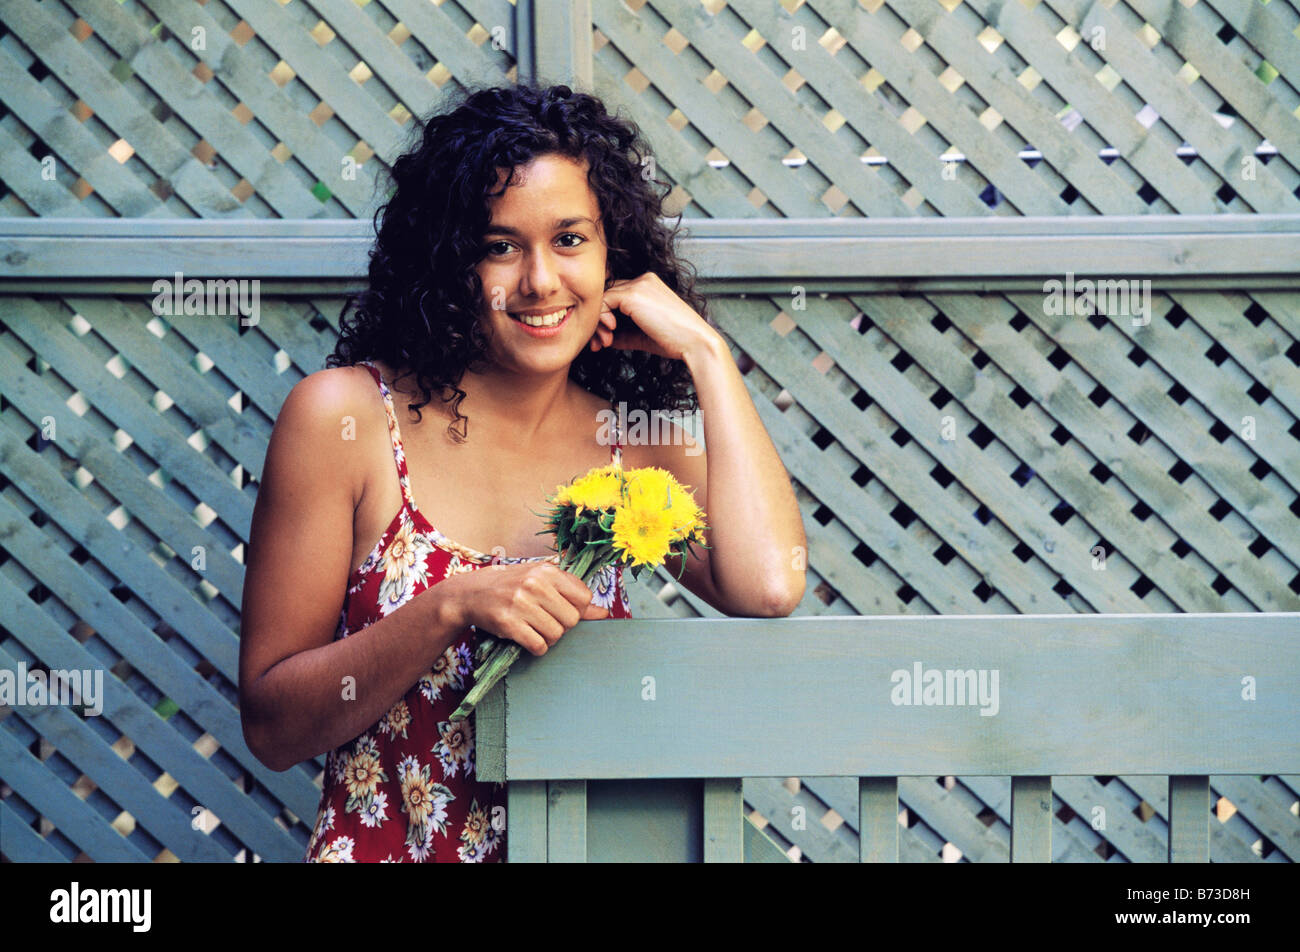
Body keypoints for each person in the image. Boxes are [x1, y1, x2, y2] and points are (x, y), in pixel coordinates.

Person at [238, 82, 807, 863]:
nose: (541, 281)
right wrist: (450, 607)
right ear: (447, 262)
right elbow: (272, 727)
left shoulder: (631, 441)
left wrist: (710, 356)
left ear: (615, 253)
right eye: (500, 246)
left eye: (570, 239)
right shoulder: (345, 420)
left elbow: (769, 587)